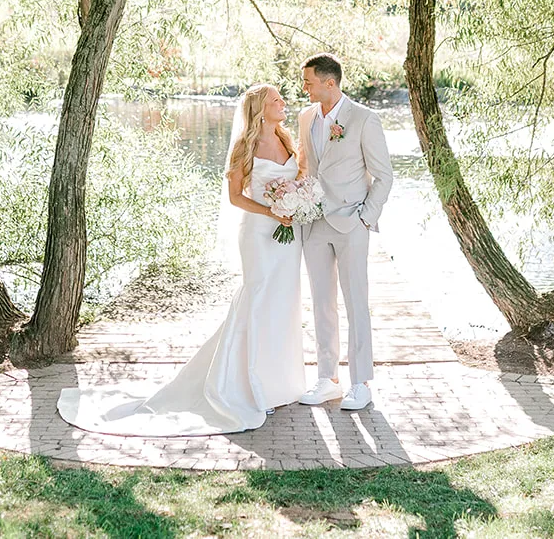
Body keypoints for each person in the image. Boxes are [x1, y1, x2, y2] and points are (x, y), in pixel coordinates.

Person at [56, 83, 306, 436]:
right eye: (276, 100)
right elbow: (236, 197)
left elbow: (298, 180)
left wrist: (298, 201)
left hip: (288, 236)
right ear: (260, 110)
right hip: (259, 234)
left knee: (284, 302)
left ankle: (282, 384)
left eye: (282, 98)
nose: (283, 103)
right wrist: (272, 211)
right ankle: (250, 386)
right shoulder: (244, 146)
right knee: (259, 299)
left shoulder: (287, 140)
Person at [296, 53, 393, 411]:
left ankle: (361, 382)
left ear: (329, 83)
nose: (303, 87)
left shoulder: (365, 120)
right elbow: (309, 168)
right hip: (315, 223)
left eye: (308, 82)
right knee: (321, 304)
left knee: (356, 303)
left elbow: (384, 175)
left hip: (352, 223)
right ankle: (327, 379)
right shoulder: (306, 117)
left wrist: (366, 218)